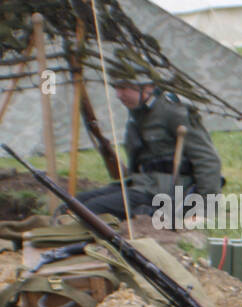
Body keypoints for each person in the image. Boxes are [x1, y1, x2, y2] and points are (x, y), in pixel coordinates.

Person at [73, 75, 224, 221]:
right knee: (76, 203)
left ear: (148, 88)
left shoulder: (173, 111)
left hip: (168, 191)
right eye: (116, 88)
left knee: (91, 209)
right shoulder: (138, 112)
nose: (118, 95)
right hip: (144, 185)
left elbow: (208, 160)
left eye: (124, 88)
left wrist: (204, 209)